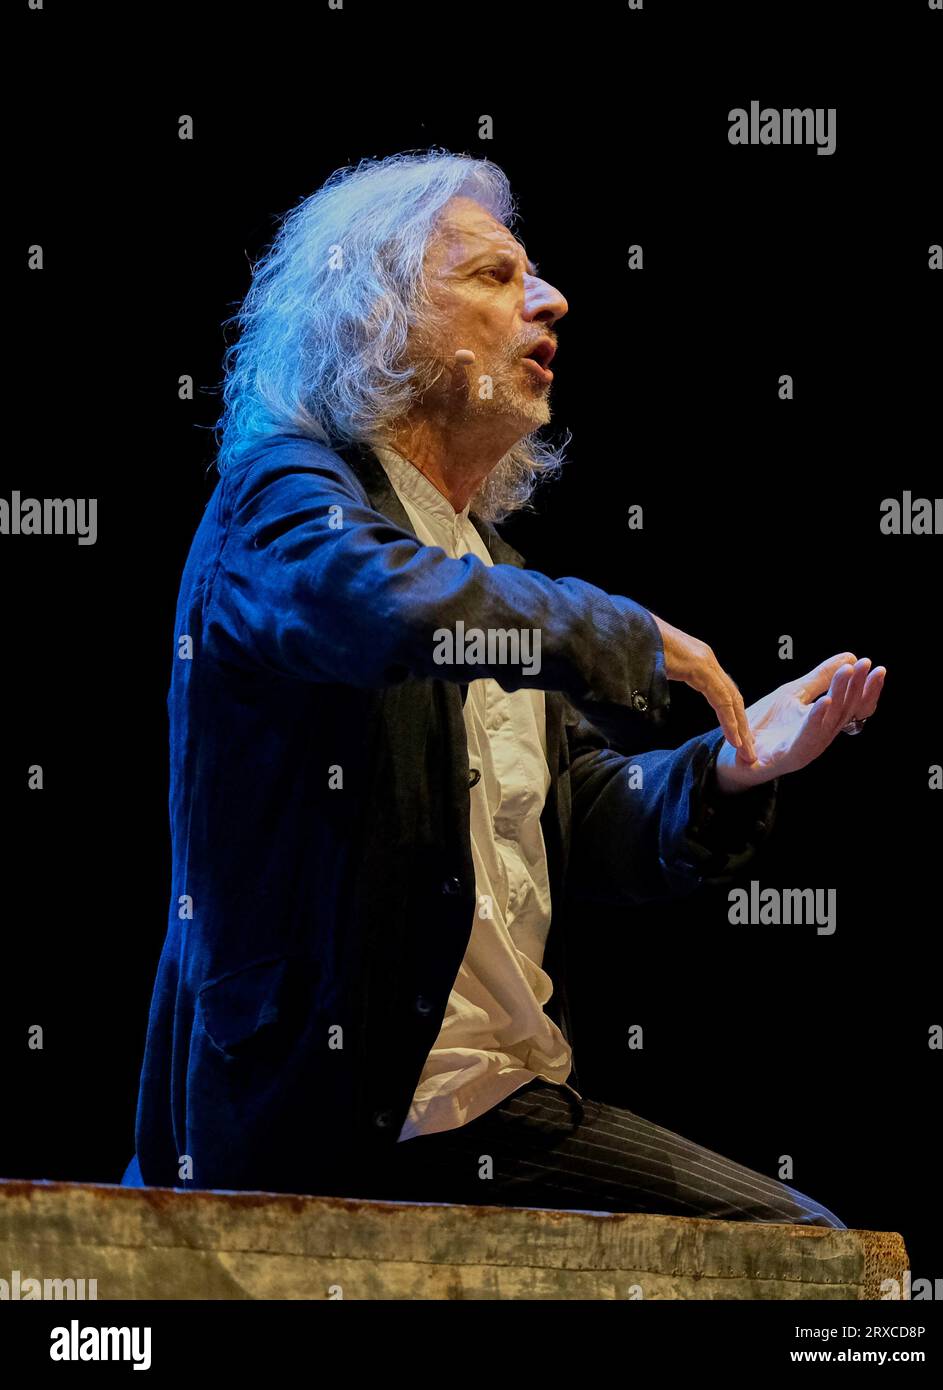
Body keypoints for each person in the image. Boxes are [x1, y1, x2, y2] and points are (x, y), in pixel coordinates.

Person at [123, 152, 884, 1229]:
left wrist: (726, 765)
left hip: (495, 1107)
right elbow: (371, 606)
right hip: (321, 1117)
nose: (549, 297)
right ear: (376, 314)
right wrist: (619, 627)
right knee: (806, 1257)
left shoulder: (497, 570)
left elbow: (583, 822)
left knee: (811, 1257)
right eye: (491, 274)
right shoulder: (281, 495)